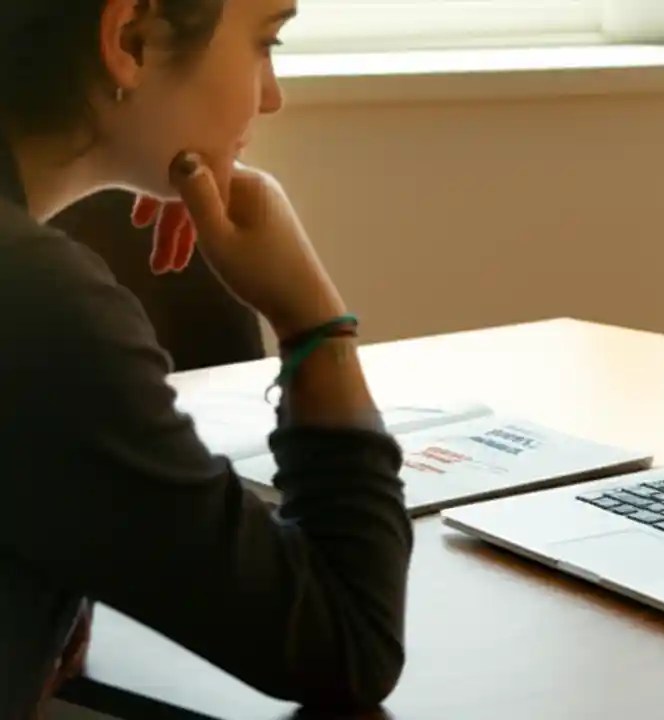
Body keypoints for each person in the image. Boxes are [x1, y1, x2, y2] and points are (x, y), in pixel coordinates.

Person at [0, 0, 414, 717]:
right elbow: (349, 642)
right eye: (264, 42)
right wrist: (313, 321)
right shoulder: (38, 305)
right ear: (130, 37)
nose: (274, 95)